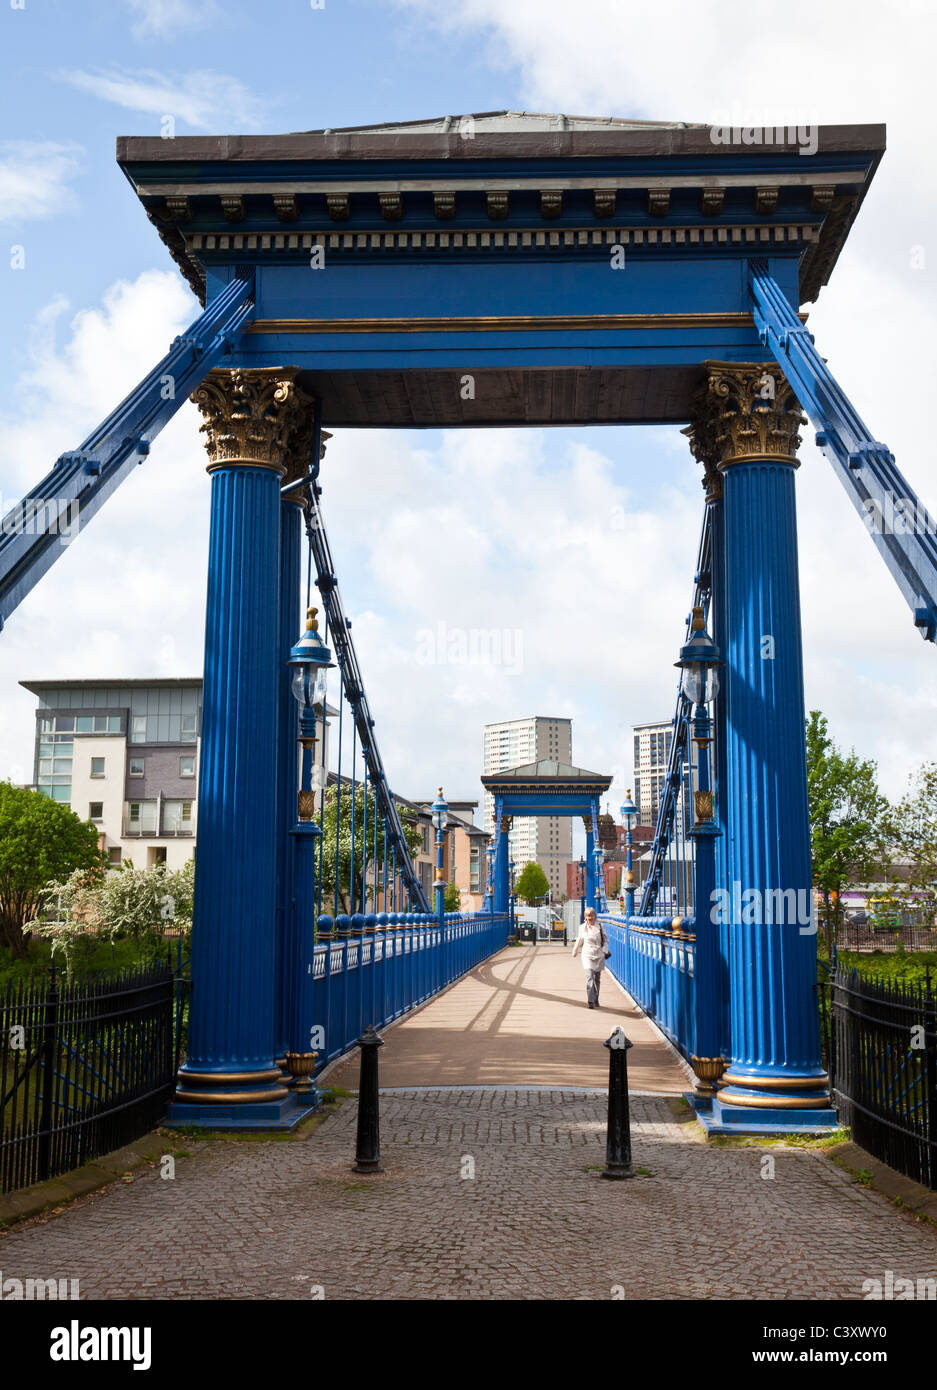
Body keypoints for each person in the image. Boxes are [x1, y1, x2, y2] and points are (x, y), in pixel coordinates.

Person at [571, 907, 609, 1008]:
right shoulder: (582, 927)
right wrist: (575, 950)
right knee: (590, 977)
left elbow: (605, 940)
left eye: (591, 915)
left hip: (599, 955)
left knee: (597, 979)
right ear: (585, 917)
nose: (590, 918)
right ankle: (590, 1001)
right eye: (588, 916)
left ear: (595, 916)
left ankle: (596, 998)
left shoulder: (600, 926)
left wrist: (605, 950)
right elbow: (579, 939)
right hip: (587, 954)